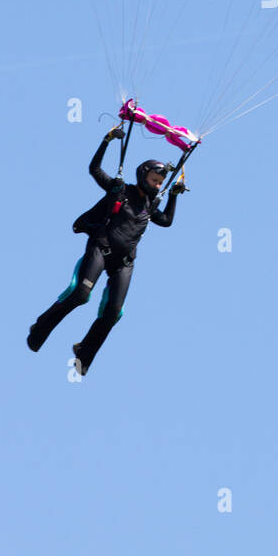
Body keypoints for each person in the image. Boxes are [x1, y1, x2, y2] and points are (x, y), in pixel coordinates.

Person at [26, 126, 185, 374]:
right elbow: (94, 170)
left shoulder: (151, 204)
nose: (157, 186)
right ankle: (41, 327)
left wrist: (173, 196)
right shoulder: (120, 190)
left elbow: (166, 221)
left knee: (113, 314)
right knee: (79, 294)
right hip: (102, 248)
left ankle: (84, 353)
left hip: (124, 262)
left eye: (161, 183)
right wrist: (107, 140)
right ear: (143, 176)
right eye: (155, 181)